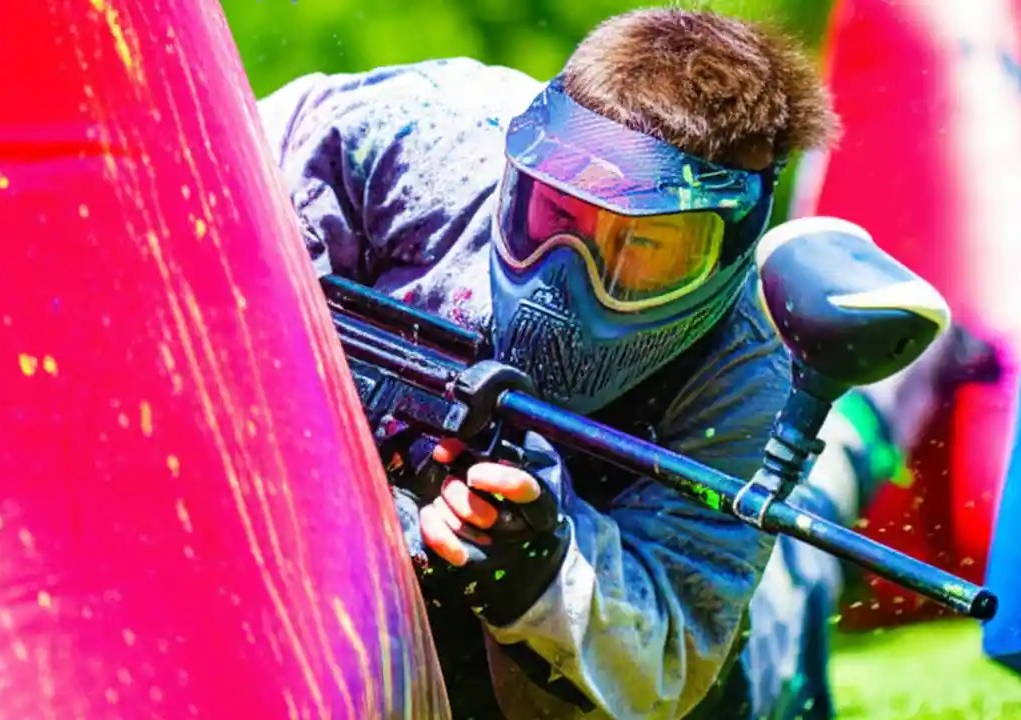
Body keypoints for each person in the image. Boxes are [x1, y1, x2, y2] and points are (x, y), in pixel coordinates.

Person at [256, 8, 853, 718]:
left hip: (687, 672)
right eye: (558, 218)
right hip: (373, 632)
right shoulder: (405, 138)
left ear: (725, 249)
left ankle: (877, 416)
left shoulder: (746, 379)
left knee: (794, 564)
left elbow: (672, 655)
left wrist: (542, 573)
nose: (566, 281)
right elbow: (190, 200)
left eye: (640, 247)